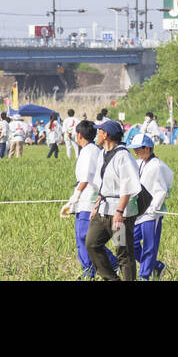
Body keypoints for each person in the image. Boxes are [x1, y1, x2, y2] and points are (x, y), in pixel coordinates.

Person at [60, 119, 118, 278]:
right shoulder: (90, 149)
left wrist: (75, 196)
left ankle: (109, 263)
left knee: (85, 237)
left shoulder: (89, 151)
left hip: (88, 200)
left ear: (78, 135)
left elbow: (85, 177)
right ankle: (89, 272)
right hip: (85, 200)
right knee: (82, 237)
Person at [85, 119, 141, 281]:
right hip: (103, 210)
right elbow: (103, 185)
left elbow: (128, 185)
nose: (97, 134)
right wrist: (96, 204)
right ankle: (111, 278)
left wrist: (119, 212)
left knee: (123, 252)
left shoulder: (123, 156)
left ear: (106, 135)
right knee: (92, 244)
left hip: (119, 214)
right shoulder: (102, 154)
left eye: (100, 132)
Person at [129, 131, 172, 279]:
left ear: (147, 148)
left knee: (149, 246)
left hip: (152, 213)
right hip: (138, 211)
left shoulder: (157, 166)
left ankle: (144, 275)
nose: (135, 152)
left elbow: (161, 190)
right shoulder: (140, 162)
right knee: (131, 243)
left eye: (138, 148)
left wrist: (154, 208)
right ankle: (156, 266)